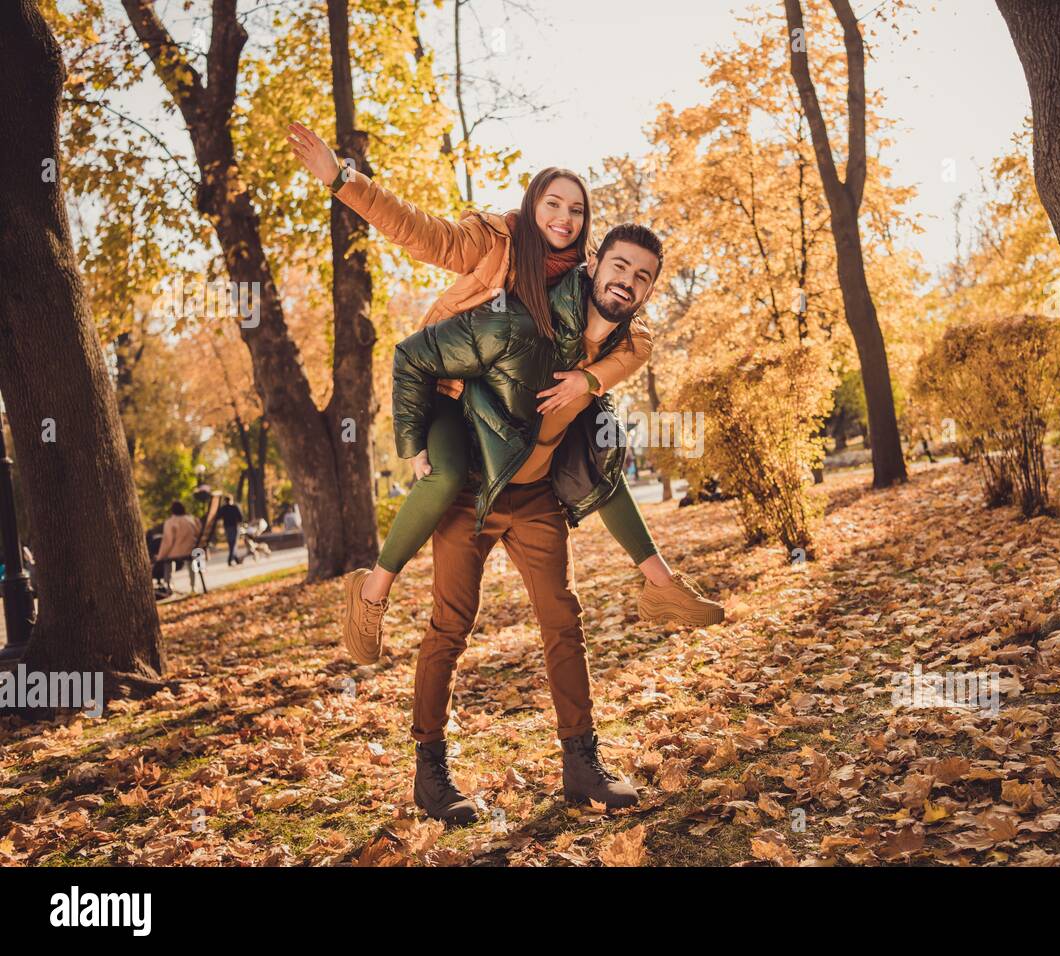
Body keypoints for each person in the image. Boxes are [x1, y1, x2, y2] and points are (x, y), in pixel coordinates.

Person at [285, 125, 722, 655]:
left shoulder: (583, 276)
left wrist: (590, 379)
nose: (564, 218)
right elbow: (419, 231)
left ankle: (661, 585)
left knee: (599, 446)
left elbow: (638, 334)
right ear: (532, 205)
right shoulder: (494, 242)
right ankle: (372, 591)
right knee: (443, 476)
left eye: (577, 210)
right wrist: (342, 179)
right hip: (452, 388)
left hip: (519, 403)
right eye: (553, 204)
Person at [366, 224, 675, 823]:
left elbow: (600, 455)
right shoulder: (525, 316)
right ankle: (430, 769)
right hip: (471, 494)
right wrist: (421, 439)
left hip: (535, 500)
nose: (628, 281)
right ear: (593, 265)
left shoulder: (619, 350)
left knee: (563, 621)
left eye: (642, 276)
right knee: (450, 627)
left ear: (649, 292)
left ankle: (581, 764)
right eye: (620, 266)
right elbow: (420, 354)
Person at [153, 501, 201, 597]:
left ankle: (169, 585)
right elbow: (197, 533)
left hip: (177, 552)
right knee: (190, 561)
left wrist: (160, 556)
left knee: (166, 560)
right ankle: (193, 586)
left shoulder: (170, 522)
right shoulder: (190, 519)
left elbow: (167, 542)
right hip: (190, 549)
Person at [215, 495, 244, 566]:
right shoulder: (235, 507)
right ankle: (230, 559)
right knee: (233, 543)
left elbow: (218, 516)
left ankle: (236, 559)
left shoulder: (223, 508)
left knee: (231, 543)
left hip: (227, 527)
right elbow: (241, 518)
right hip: (234, 526)